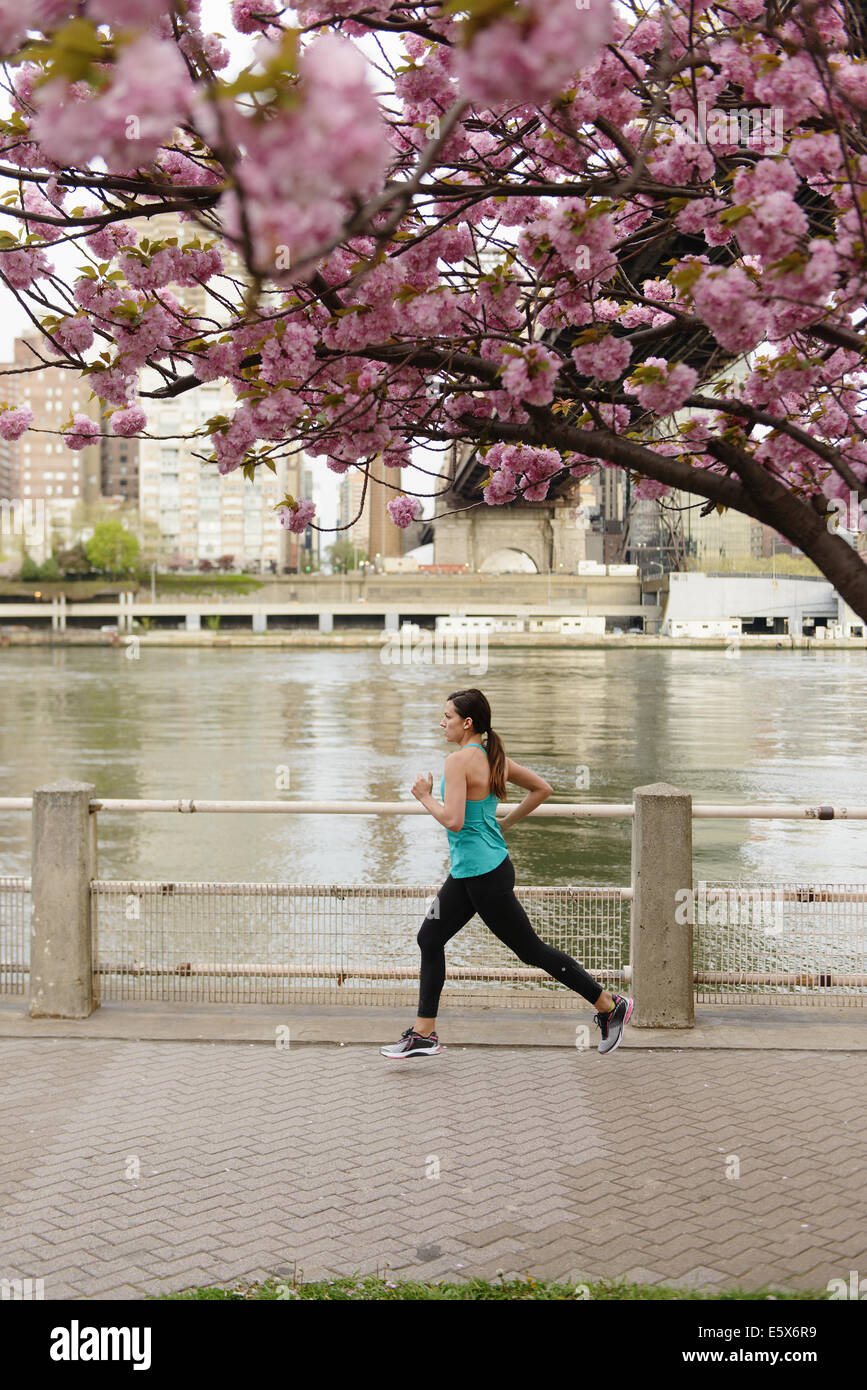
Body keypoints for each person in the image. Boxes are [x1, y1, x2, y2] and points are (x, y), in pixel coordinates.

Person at [380, 688, 633, 1059]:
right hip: (474, 872)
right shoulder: (492, 757)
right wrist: (503, 825)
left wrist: (424, 796)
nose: (441, 722)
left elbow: (453, 821)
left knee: (529, 950)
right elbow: (542, 789)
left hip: (484, 876)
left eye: (447, 716)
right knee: (429, 937)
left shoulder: (458, 760)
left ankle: (610, 1005)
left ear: (467, 723)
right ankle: (424, 1033)